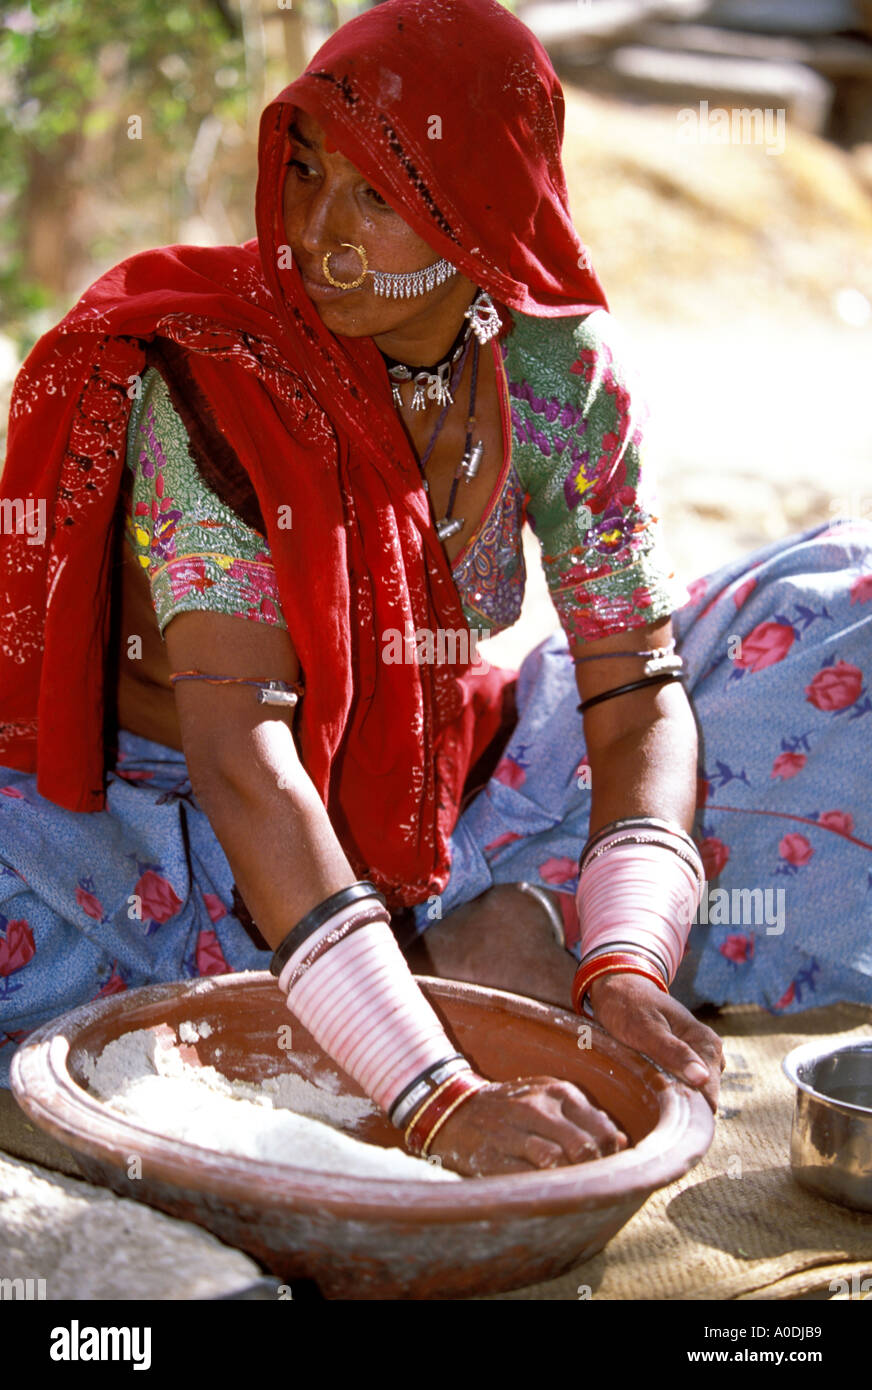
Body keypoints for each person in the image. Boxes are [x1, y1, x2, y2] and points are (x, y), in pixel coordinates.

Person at [0, 0, 869, 1175]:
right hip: (153, 829)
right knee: (53, 988)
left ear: (483, 202)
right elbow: (245, 765)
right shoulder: (208, 390)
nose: (321, 235)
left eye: (379, 196)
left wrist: (627, 950)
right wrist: (438, 1101)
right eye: (307, 172)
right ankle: (418, 990)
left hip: (435, 781)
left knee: (838, 626)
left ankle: (486, 948)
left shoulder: (553, 374)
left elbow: (635, 686)